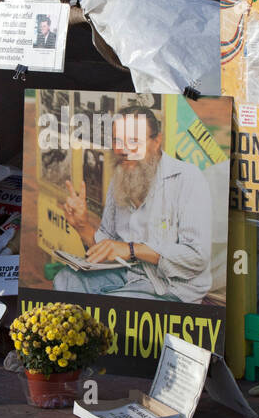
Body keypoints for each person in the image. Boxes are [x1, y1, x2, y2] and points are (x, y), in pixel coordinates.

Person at [54, 105, 211, 302]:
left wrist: (131, 249)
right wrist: (82, 225)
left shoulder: (187, 178)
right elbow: (109, 245)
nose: (124, 149)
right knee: (65, 279)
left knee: (112, 307)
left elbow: (197, 256)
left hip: (170, 286)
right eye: (118, 141)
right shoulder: (121, 176)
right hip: (126, 272)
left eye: (134, 141)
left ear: (156, 141)